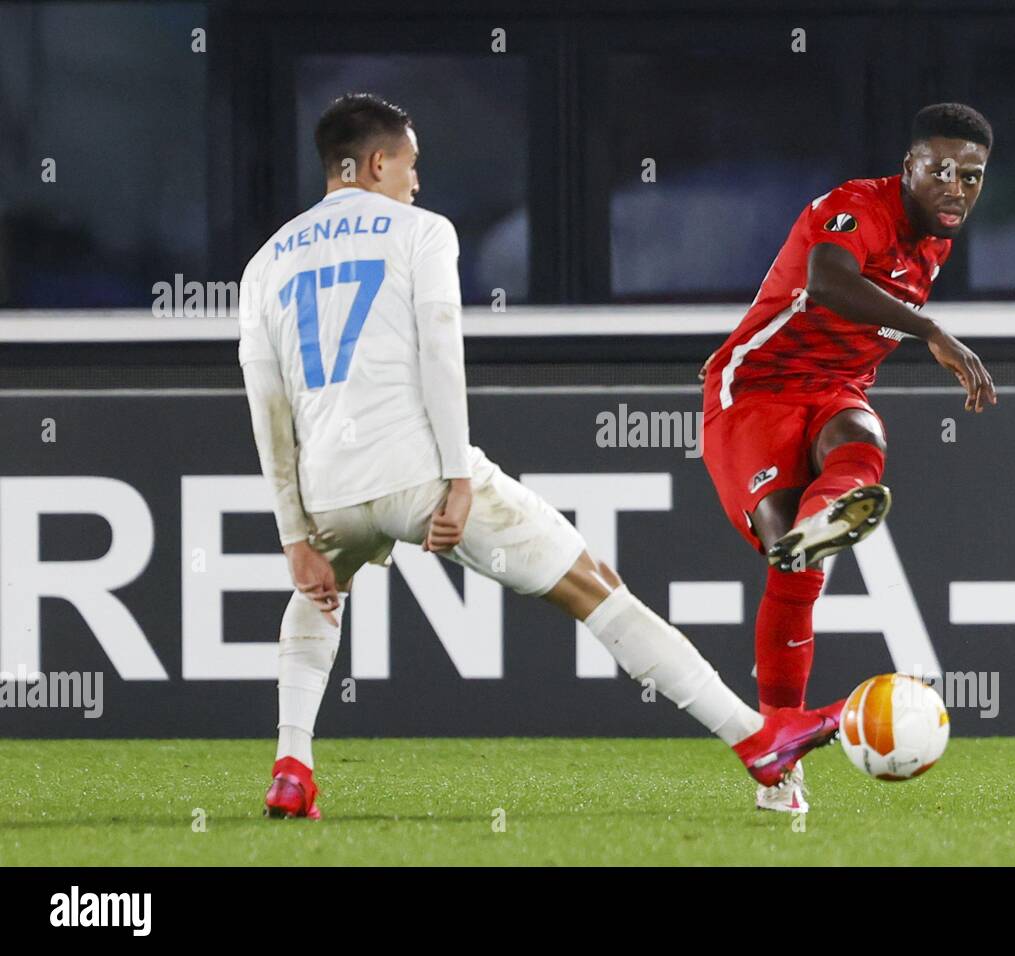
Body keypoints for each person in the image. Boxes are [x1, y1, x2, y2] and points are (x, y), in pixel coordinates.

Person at [238, 93, 840, 819]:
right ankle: (755, 741)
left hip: (328, 486)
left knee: (319, 596)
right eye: (410, 164)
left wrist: (295, 538)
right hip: (420, 473)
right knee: (592, 583)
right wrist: (457, 480)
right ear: (374, 163)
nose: (416, 181)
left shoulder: (264, 264)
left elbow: (267, 407)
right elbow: (439, 352)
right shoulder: (421, 231)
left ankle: (291, 768)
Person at [699, 103, 998, 812]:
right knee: (790, 558)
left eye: (974, 177)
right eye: (943, 172)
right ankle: (781, 734)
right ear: (909, 169)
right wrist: (930, 330)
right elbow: (828, 281)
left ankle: (832, 508)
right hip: (755, 390)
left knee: (861, 437)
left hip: (834, 392)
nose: (957, 187)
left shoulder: (935, 243)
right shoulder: (854, 206)